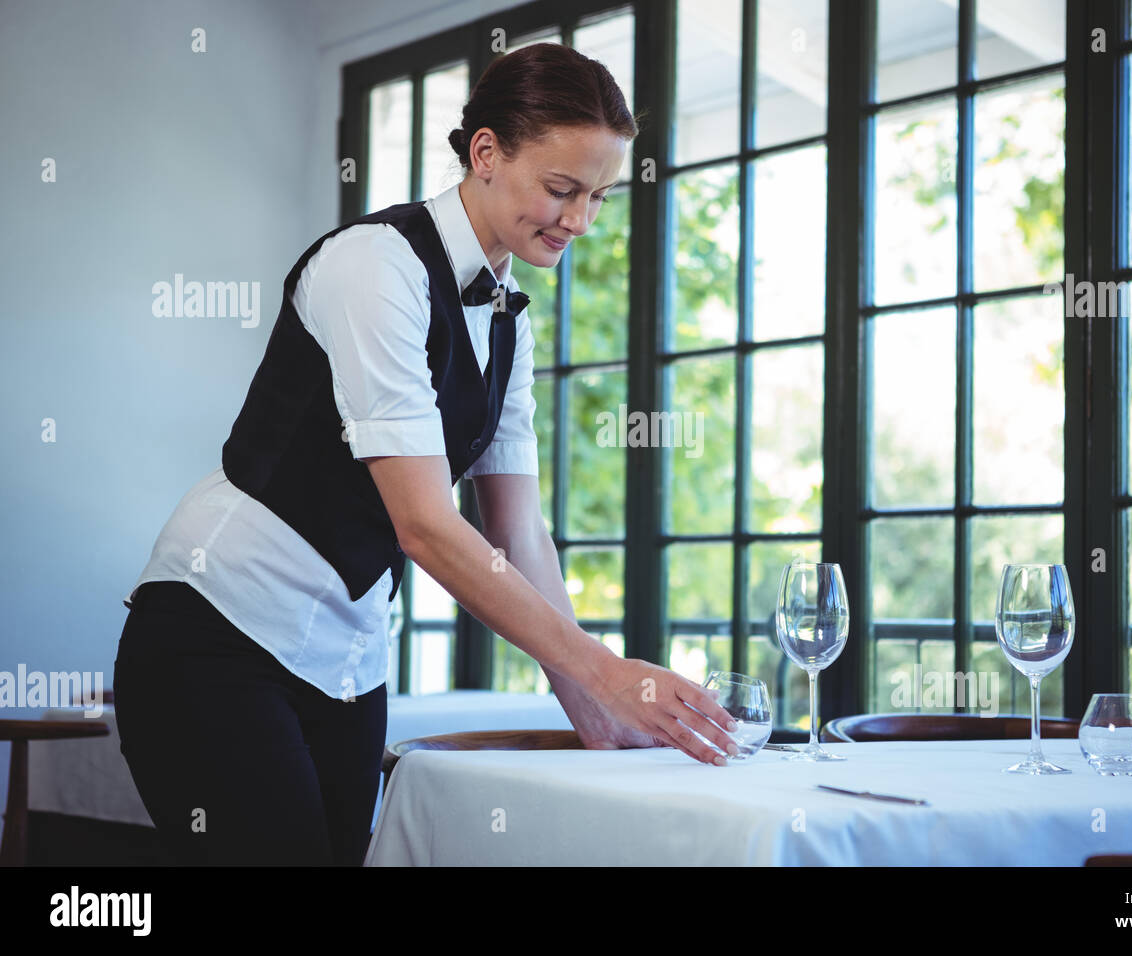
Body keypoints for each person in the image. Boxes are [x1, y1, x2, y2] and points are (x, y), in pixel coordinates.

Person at [112, 42, 740, 867]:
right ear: (485, 152)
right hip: (216, 633)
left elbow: (522, 538)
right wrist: (607, 669)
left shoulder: (510, 318)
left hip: (347, 658)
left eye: (598, 197)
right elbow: (426, 526)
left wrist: (589, 703)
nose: (580, 221)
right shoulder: (374, 267)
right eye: (561, 189)